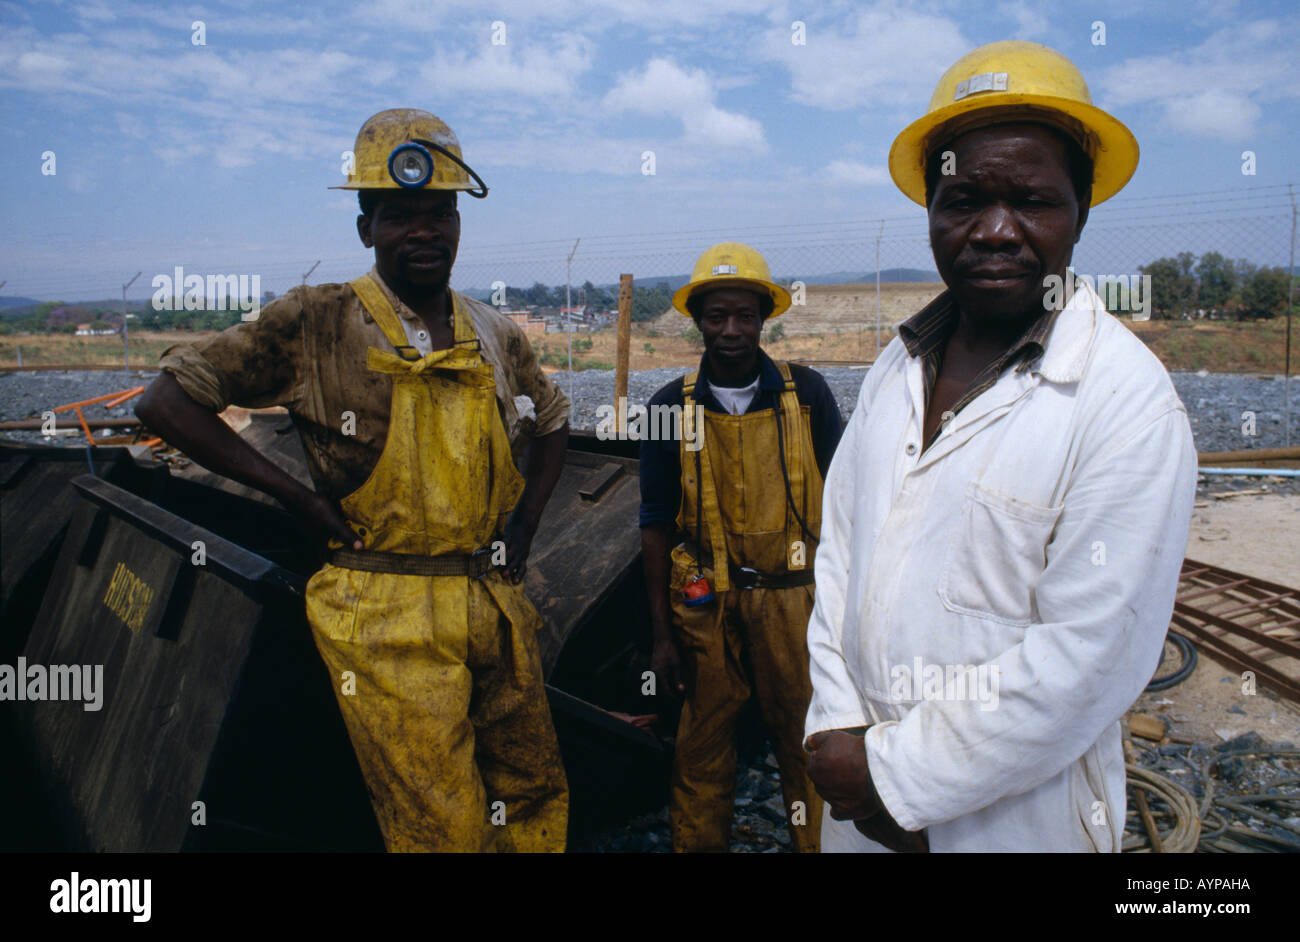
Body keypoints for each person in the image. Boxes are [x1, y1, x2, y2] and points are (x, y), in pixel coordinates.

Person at [135, 108, 570, 852]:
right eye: (400, 215)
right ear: (366, 227)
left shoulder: (494, 331)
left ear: (461, 224)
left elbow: (555, 417)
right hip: (384, 608)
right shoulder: (317, 321)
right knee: (446, 830)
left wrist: (524, 527)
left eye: (440, 215)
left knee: (532, 796)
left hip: (493, 600)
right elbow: (168, 401)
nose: (424, 232)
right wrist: (298, 497)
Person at [803, 40, 1197, 852]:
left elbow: (1088, 658)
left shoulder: (1125, 402)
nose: (993, 231)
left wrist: (898, 779)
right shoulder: (896, 365)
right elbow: (838, 554)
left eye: (1032, 201)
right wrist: (839, 732)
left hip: (1015, 824)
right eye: (963, 199)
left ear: (1082, 212)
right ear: (929, 212)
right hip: (855, 796)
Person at [639, 242, 842, 852]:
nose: (731, 330)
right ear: (698, 320)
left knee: (810, 744)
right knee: (702, 747)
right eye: (717, 316)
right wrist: (661, 636)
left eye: (744, 316)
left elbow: (850, 503)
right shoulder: (667, 406)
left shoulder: (807, 394)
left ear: (763, 318)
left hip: (797, 604)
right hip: (704, 605)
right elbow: (653, 522)